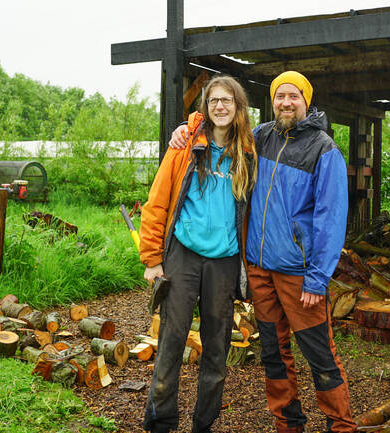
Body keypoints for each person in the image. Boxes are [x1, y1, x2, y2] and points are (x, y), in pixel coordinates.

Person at [169, 71, 357, 433]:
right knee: (273, 353)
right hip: (260, 271)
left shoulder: (324, 149)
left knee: (320, 354)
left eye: (294, 96)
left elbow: (331, 220)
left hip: (299, 274)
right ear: (272, 101)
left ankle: (341, 425)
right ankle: (288, 425)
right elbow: (218, 135)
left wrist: (317, 279)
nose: (286, 102)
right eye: (280, 96)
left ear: (306, 100)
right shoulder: (259, 138)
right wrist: (187, 127)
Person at [139, 75, 256, 433]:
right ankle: (161, 422)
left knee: (217, 351)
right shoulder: (186, 145)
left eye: (227, 100)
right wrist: (152, 258)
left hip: (224, 262)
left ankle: (203, 424)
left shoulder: (249, 152)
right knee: (171, 342)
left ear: (238, 107)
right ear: (205, 107)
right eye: (214, 100)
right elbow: (157, 202)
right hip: (183, 256)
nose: (220, 106)